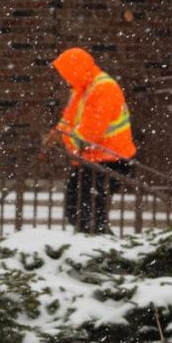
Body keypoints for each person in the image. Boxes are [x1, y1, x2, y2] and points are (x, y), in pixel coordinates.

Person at [51, 47, 137, 234]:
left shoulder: (103, 88)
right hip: (91, 160)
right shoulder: (81, 89)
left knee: (90, 216)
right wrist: (57, 132)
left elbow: (88, 134)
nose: (65, 79)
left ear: (76, 70)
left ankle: (103, 251)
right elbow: (69, 118)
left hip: (109, 160)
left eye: (66, 73)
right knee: (77, 212)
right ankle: (97, 248)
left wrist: (66, 140)